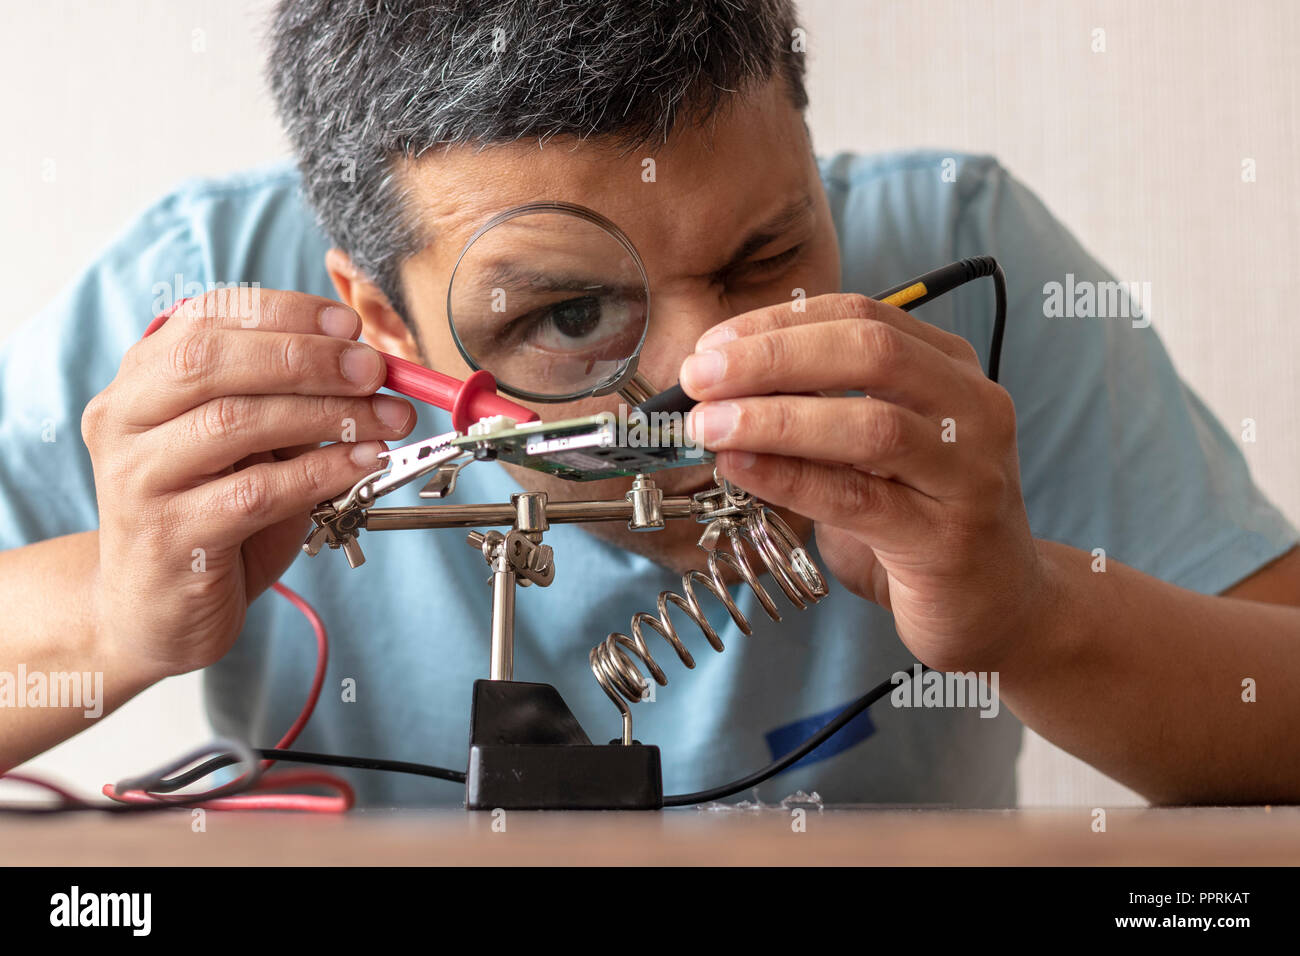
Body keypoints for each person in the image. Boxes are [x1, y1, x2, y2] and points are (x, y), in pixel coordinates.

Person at [1, 0, 1296, 807]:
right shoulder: (195, 320)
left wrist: (1032, 613)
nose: (699, 378)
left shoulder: (964, 264)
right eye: (570, 317)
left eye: (763, 258)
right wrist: (117, 613)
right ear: (383, 318)